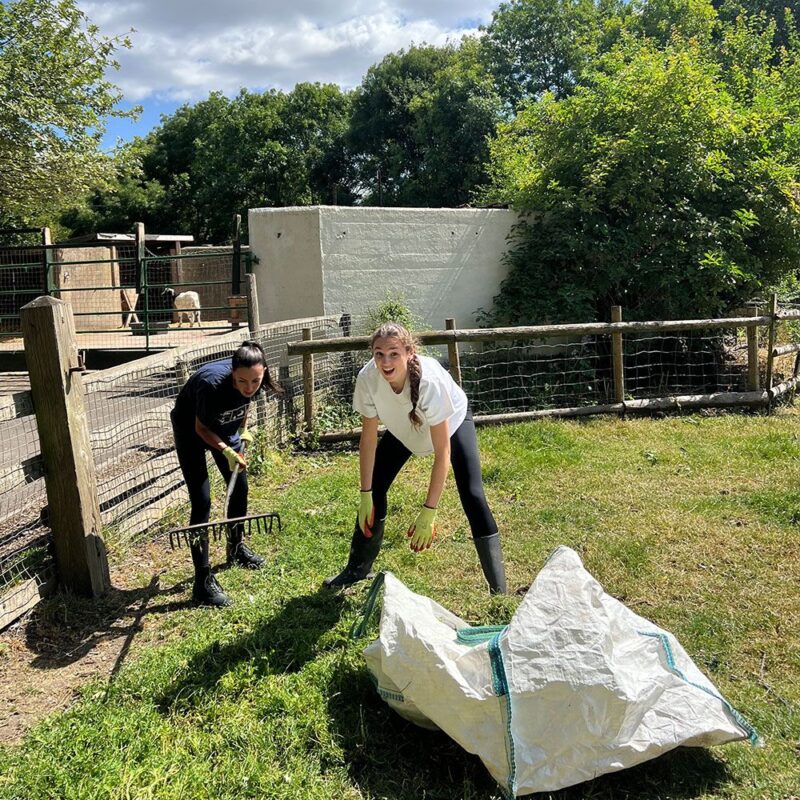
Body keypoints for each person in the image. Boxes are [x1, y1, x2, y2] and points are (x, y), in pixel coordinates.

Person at [324, 322, 507, 594]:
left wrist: (429, 511)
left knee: (472, 493)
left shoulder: (429, 382)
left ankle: (498, 589)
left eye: (394, 354)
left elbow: (442, 452)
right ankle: (356, 570)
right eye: (379, 354)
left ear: (409, 353)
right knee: (375, 489)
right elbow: (368, 439)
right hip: (404, 428)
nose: (385, 362)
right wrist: (365, 493)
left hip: (452, 423)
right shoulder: (368, 379)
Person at [171, 340, 281, 607]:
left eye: (255, 381)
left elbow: (245, 403)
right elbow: (200, 429)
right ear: (233, 373)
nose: (249, 387)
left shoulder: (254, 378)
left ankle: (236, 549)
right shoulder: (210, 385)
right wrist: (227, 451)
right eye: (242, 381)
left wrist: (243, 429)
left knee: (240, 488)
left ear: (263, 371)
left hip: (224, 427)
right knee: (202, 500)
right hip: (192, 431)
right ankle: (202, 582)